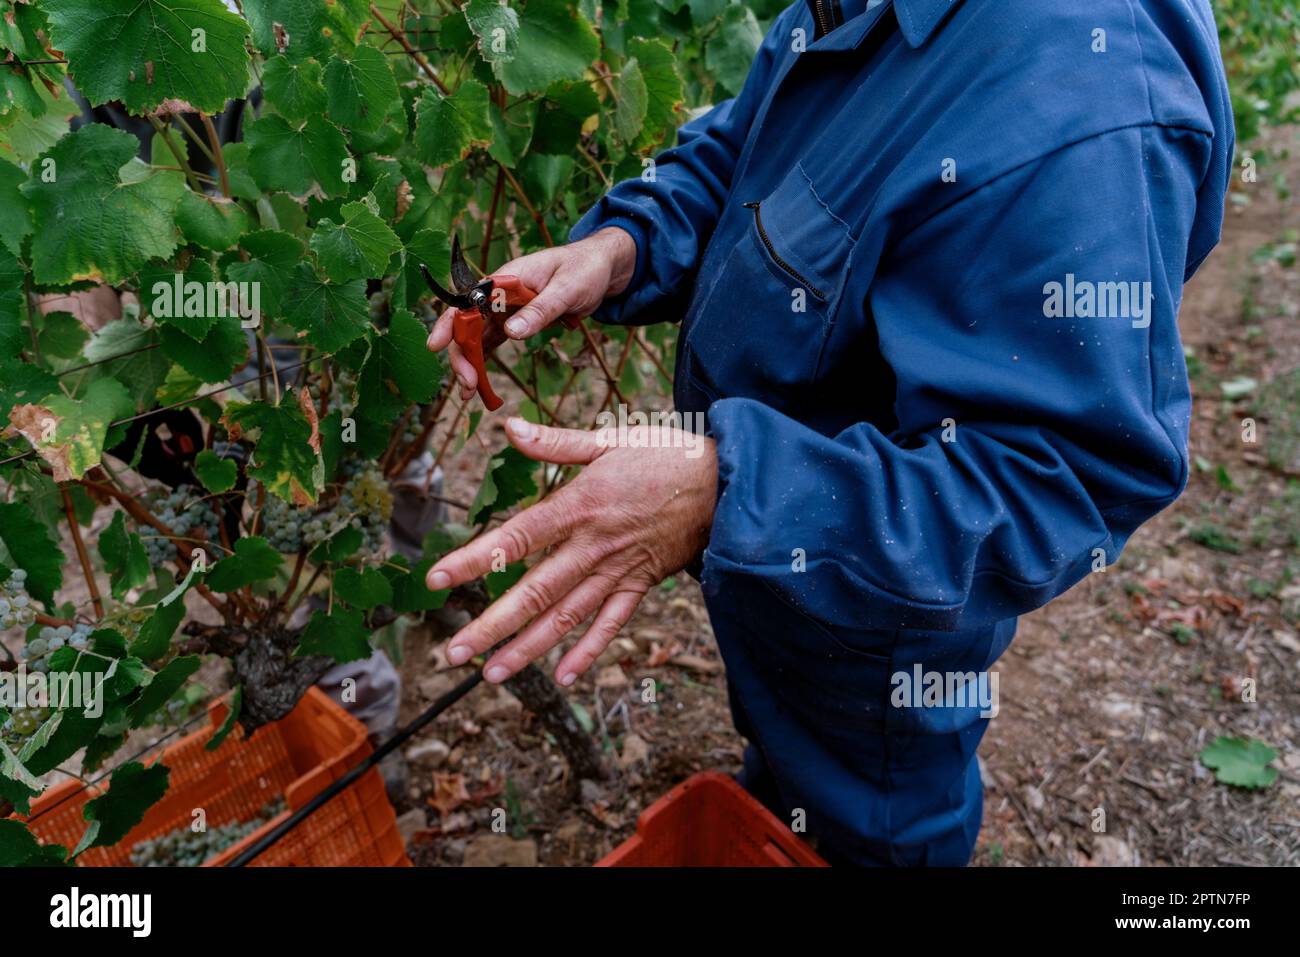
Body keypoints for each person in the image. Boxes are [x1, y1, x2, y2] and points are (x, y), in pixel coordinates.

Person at [423, 0, 1234, 865]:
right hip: (777, 574)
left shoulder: (1087, 102)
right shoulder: (860, 9)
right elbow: (753, 146)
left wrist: (723, 492)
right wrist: (625, 244)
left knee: (868, 825)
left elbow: (1058, 479)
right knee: (790, 779)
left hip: (883, 631)